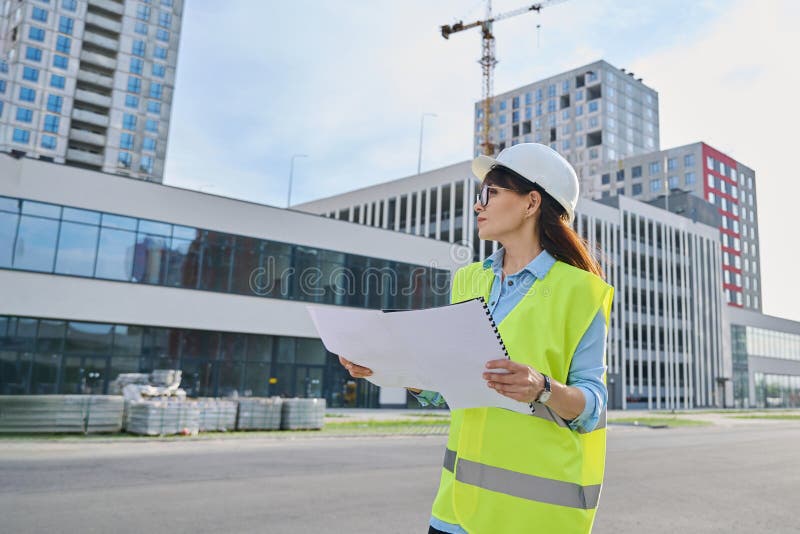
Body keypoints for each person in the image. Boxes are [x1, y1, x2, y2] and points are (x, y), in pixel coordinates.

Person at [338, 143, 614, 534]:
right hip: (455, 510)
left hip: (535, 519)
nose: (477, 206)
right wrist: (388, 368)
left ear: (531, 202)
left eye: (491, 193)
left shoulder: (582, 292)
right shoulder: (468, 280)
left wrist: (542, 388)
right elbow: (450, 384)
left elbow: (593, 407)